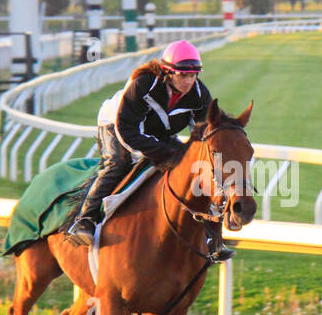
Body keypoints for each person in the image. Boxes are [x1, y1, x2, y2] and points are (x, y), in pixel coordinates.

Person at [68, 39, 233, 256]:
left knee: (195, 169)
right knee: (118, 163)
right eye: (183, 75)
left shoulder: (199, 94)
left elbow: (205, 132)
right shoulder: (143, 84)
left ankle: (212, 235)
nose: (188, 81)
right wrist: (163, 153)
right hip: (116, 124)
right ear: (167, 72)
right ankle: (84, 220)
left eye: (193, 75)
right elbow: (127, 130)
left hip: (156, 131)